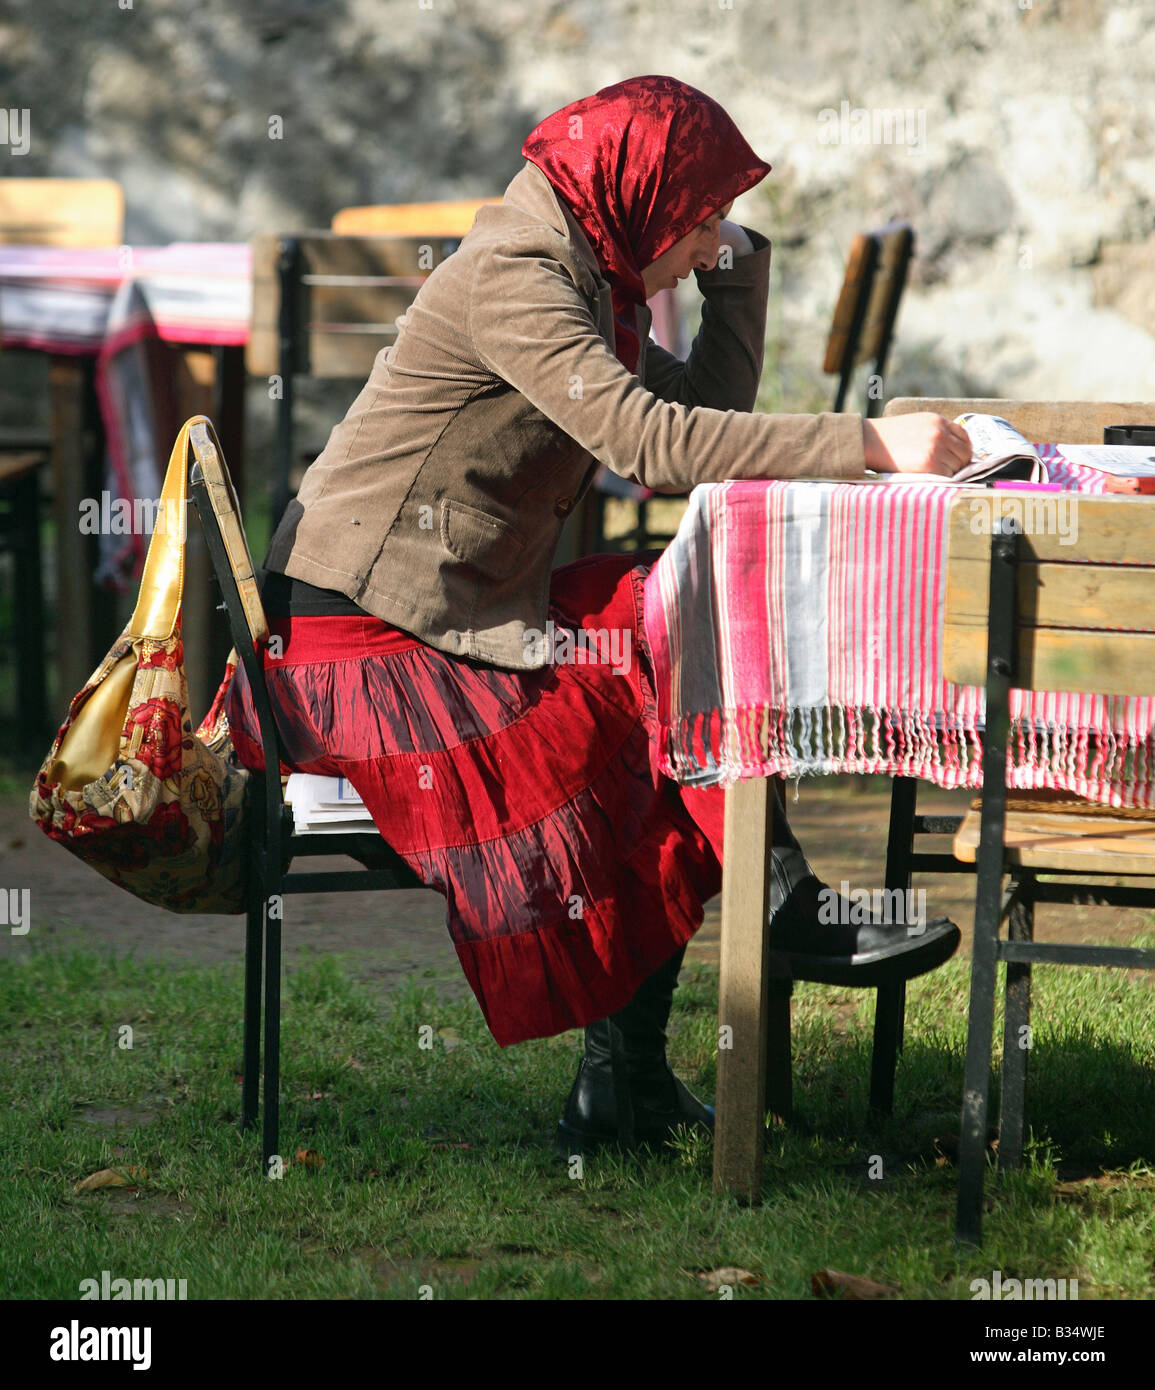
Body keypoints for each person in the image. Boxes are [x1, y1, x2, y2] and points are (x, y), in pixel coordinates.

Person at [225, 74, 970, 1155]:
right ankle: (772, 912)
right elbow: (649, 447)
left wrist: (738, 285)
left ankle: (631, 1076)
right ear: (639, 195)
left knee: (673, 614)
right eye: (702, 217)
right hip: (359, 647)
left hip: (451, 612)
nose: (710, 239)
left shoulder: (591, 274)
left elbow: (700, 427)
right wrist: (864, 441)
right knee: (652, 659)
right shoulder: (519, 276)